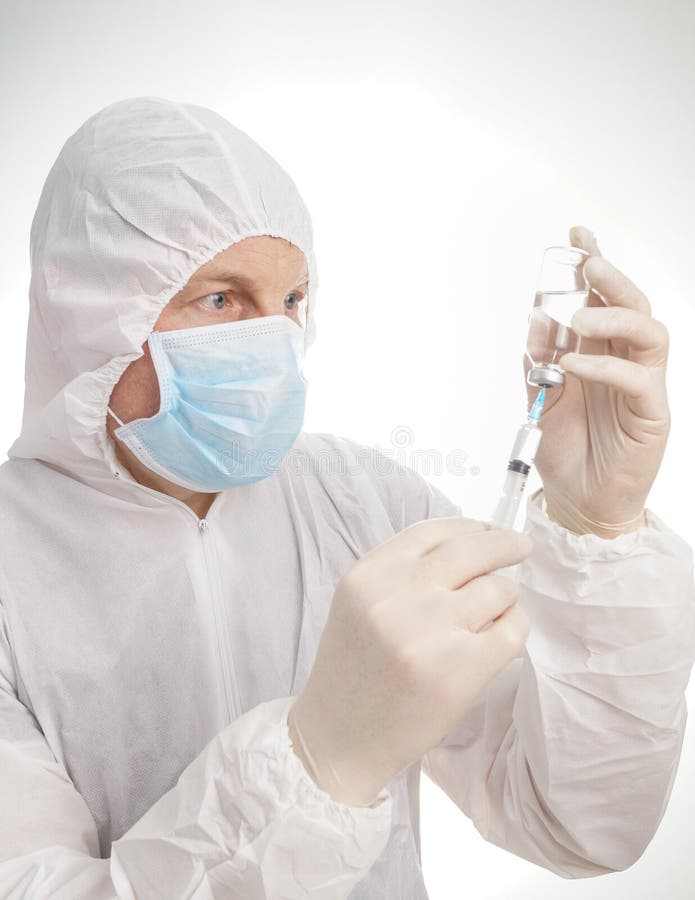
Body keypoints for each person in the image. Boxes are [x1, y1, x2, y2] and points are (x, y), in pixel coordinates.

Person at [0, 96, 692, 900]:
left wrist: (594, 526)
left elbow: (574, 821)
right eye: (220, 299)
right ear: (87, 309)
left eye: (290, 300)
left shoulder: (363, 503)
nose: (271, 341)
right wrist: (319, 760)